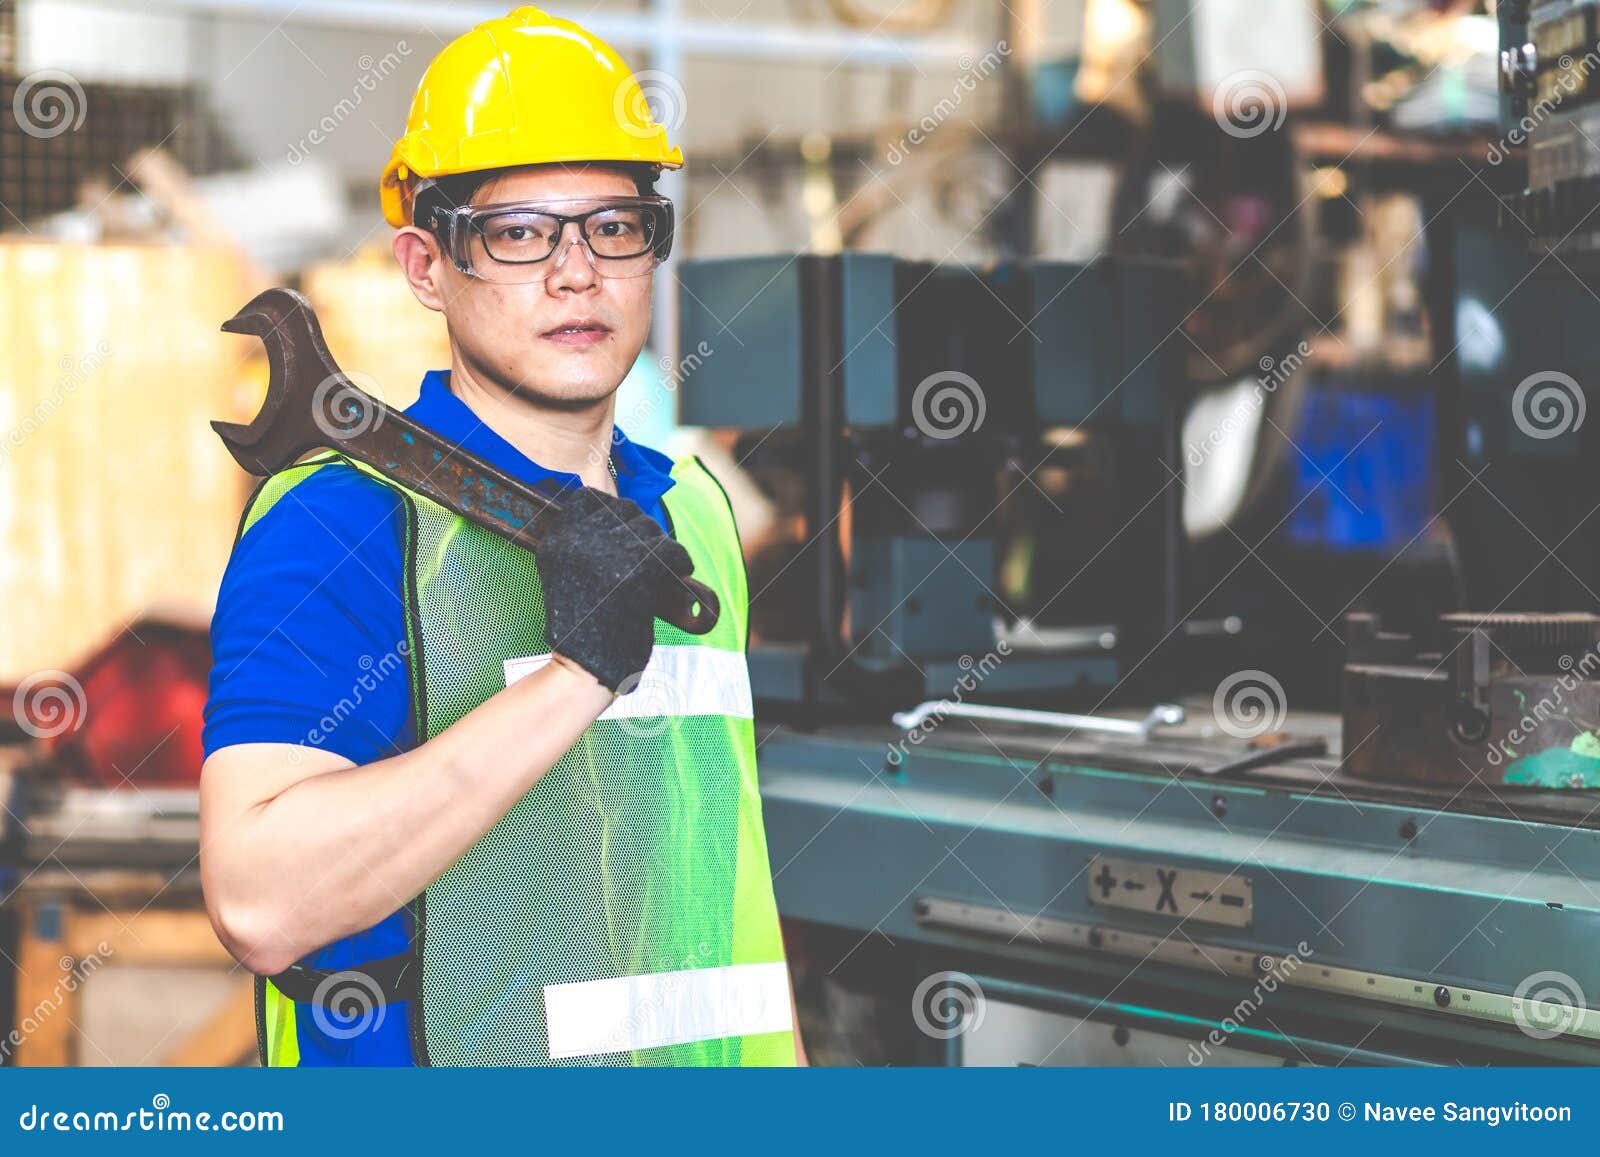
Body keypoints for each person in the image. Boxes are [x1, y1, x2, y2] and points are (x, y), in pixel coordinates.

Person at [200, 5, 804, 1068]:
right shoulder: (345, 523)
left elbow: (724, 892)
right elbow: (261, 900)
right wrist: (576, 673)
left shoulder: (693, 512)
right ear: (425, 264)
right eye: (518, 232)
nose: (577, 272)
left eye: (613, 226)